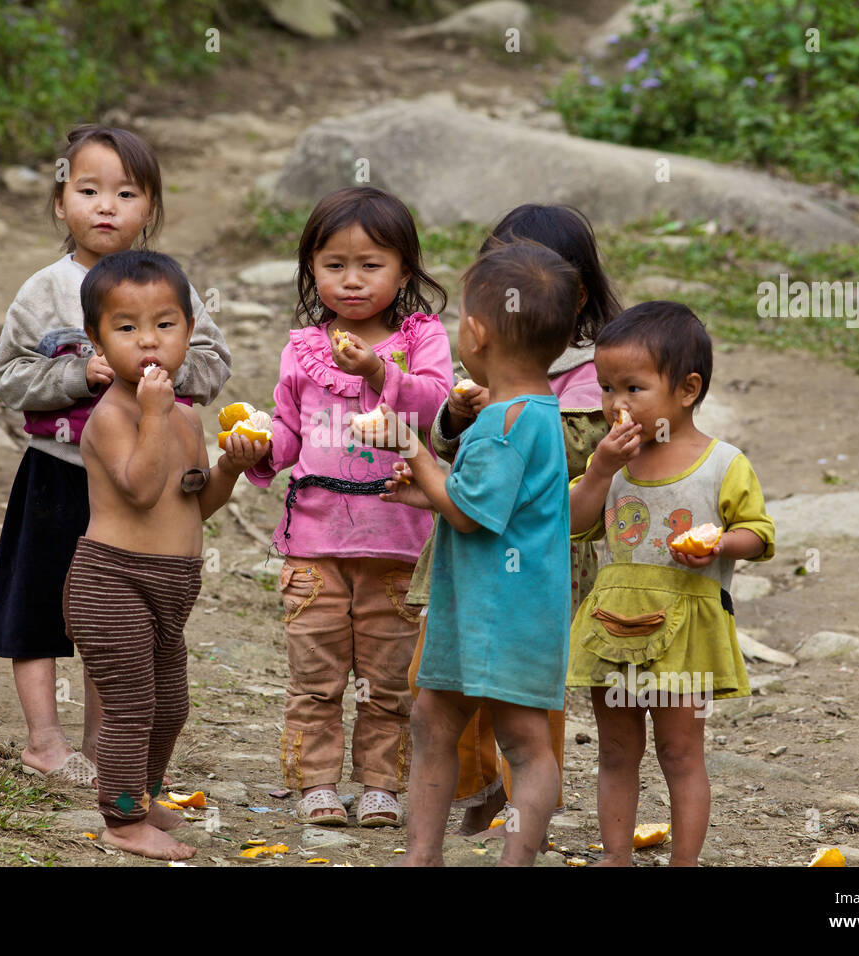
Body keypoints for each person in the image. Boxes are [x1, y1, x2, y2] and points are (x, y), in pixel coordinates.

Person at [0, 124, 231, 786]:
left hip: (137, 486)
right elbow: (8, 379)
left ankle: (101, 745)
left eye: (126, 192)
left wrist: (165, 374)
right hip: (58, 474)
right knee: (36, 605)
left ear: (150, 208)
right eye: (87, 190)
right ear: (61, 203)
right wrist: (74, 377)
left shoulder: (164, 286)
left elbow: (212, 362)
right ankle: (43, 741)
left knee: (112, 615)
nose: (106, 206)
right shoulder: (43, 292)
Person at [405, 204, 621, 833]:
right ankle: (482, 804)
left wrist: (416, 456)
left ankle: (511, 820)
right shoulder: (521, 398)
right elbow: (477, 483)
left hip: (503, 581)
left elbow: (476, 507)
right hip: (512, 579)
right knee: (468, 710)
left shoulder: (567, 389)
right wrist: (446, 438)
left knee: (505, 721)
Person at [246, 186, 452, 827]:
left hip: (398, 543)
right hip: (315, 547)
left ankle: (382, 786)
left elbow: (437, 409)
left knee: (390, 681)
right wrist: (251, 447)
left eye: (372, 265)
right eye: (334, 265)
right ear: (311, 267)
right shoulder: (303, 347)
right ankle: (315, 784)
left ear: (405, 270)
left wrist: (376, 374)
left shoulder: (421, 339)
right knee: (316, 676)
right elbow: (288, 431)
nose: (352, 280)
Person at [370, 241, 579, 866]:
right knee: (446, 723)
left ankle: (493, 858)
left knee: (515, 743)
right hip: (503, 615)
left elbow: (467, 511)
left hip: (496, 617)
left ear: (478, 332)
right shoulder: (538, 413)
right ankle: (425, 854)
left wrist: (415, 451)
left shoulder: (501, 423)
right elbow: (485, 504)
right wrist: (428, 494)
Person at [64, 250, 264, 860]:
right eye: (126, 328)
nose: (148, 341)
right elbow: (142, 488)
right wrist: (153, 414)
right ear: (96, 343)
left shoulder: (183, 419)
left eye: (165, 325)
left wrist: (229, 465)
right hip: (111, 581)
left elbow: (190, 503)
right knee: (131, 705)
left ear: (190, 332)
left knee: (171, 705)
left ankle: (144, 794)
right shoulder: (115, 417)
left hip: (171, 587)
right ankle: (120, 819)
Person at [567, 301, 775, 866]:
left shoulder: (722, 463)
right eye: (606, 387)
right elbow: (572, 522)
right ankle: (616, 857)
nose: (615, 404)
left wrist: (718, 543)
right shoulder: (608, 461)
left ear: (687, 389)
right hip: (611, 630)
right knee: (615, 751)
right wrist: (603, 469)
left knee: (681, 753)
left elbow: (757, 533)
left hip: (687, 633)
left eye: (633, 388)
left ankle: (685, 861)